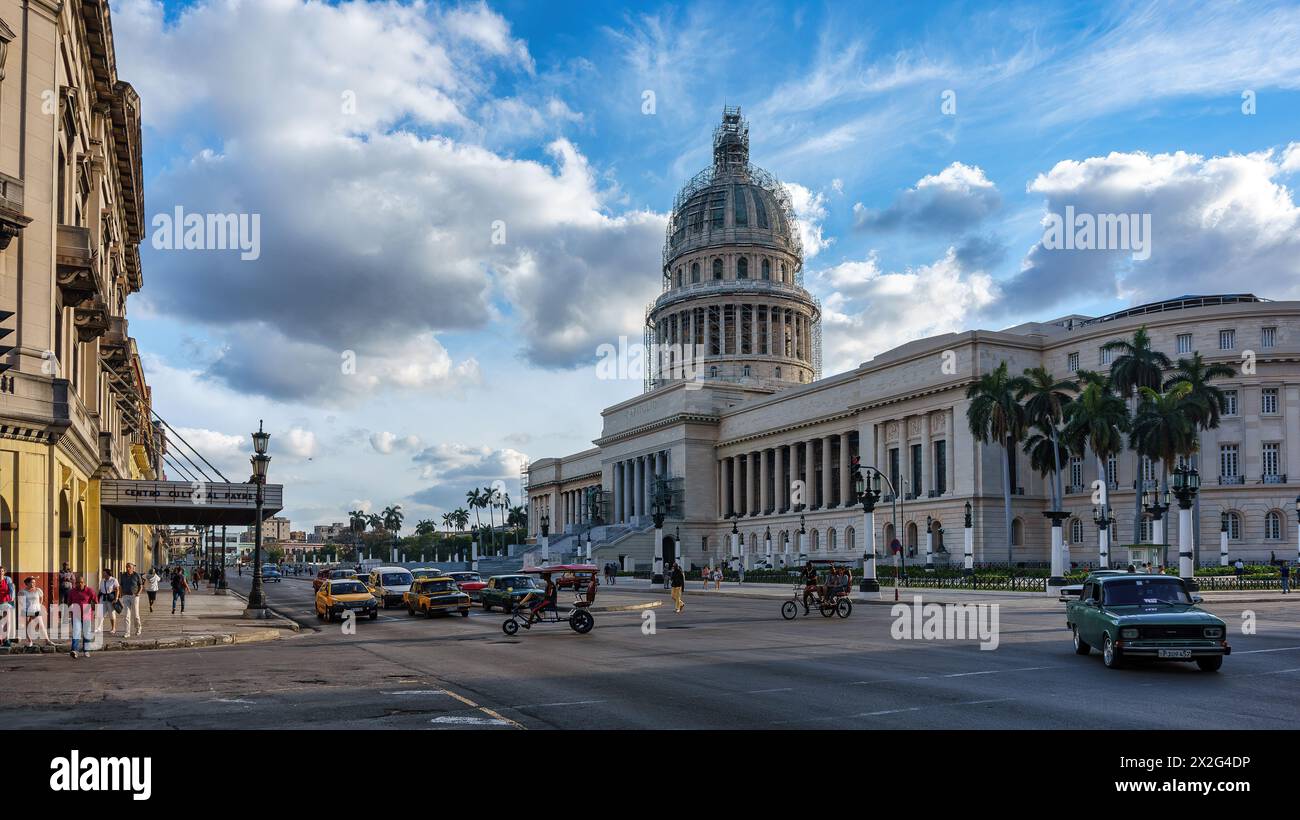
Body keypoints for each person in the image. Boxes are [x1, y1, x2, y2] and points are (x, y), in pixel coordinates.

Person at [65, 574, 98, 658]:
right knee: (76, 632)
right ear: (75, 583)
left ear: (84, 583)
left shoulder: (89, 591)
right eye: (77, 582)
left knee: (86, 633)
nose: (79, 584)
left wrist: (93, 611)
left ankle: (86, 650)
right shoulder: (72, 591)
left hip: (87, 615)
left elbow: (95, 602)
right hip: (76, 615)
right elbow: (69, 603)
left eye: (81, 582)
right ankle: (74, 650)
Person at [19, 577, 54, 648]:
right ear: (27, 583)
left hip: (36, 610)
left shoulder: (38, 590)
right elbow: (20, 601)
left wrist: (39, 605)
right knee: (28, 626)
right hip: (26, 610)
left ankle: (47, 640)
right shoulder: (22, 592)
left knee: (41, 625)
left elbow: (41, 598)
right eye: (31, 582)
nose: (33, 584)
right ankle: (30, 641)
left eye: (34, 582)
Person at [118, 562, 143, 637]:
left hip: (134, 596)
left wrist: (138, 593)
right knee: (126, 615)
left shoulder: (136, 575)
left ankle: (138, 628)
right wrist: (121, 594)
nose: (127, 568)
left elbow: (141, 586)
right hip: (126, 596)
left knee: (136, 615)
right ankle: (127, 632)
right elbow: (121, 585)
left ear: (132, 568)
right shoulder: (123, 575)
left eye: (129, 567)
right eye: (126, 567)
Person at [98, 569, 120, 635]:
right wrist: (97, 598)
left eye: (104, 573)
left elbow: (117, 590)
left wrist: (116, 598)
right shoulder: (102, 580)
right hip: (103, 598)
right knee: (101, 613)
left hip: (111, 599)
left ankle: (113, 628)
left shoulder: (113, 580)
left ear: (108, 574)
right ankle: (99, 627)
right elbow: (100, 590)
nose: (103, 574)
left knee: (112, 614)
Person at [0, 565, 14, 645]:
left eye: (2, 571)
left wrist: (12, 598)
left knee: (7, 621)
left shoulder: (7, 579)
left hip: (6, 602)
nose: (1, 573)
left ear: (4, 572)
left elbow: (12, 589)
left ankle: (7, 638)